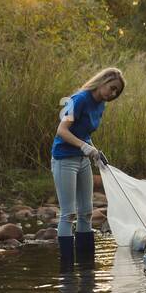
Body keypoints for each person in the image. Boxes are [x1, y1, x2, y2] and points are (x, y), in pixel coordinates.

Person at [52, 67, 125, 268]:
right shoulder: (78, 100)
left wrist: (94, 151)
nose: (112, 94)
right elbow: (62, 131)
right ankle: (66, 268)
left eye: (116, 93)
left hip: (83, 159)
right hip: (64, 159)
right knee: (68, 213)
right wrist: (85, 147)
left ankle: (86, 266)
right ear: (102, 81)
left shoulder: (101, 105)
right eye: (111, 88)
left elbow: (84, 132)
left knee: (86, 211)